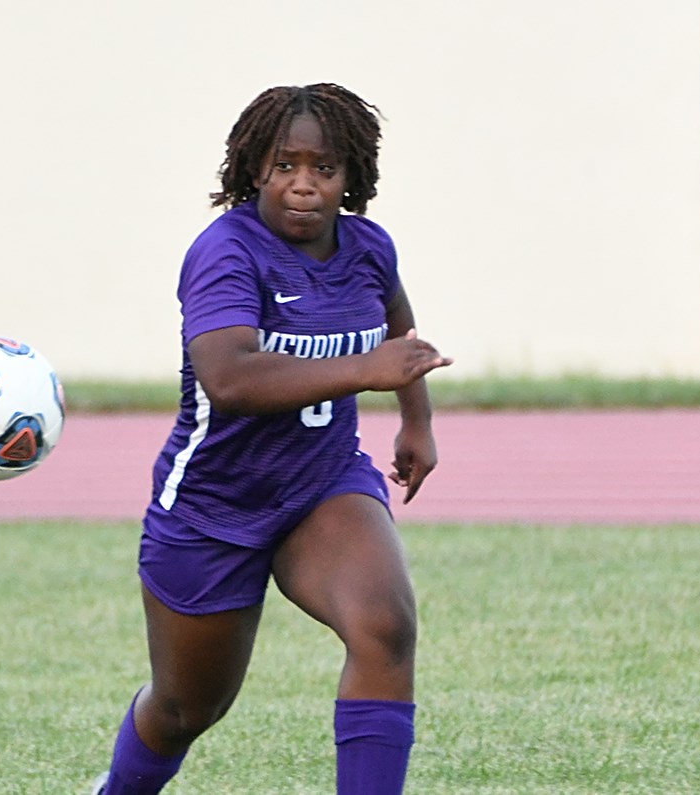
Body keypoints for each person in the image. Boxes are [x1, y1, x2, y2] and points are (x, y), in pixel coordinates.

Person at [92, 83, 452, 795]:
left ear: (352, 177)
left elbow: (397, 331)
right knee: (184, 707)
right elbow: (228, 377)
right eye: (284, 164)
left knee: (384, 625)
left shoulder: (369, 249)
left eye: (324, 168)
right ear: (254, 167)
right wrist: (364, 370)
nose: (302, 184)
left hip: (321, 485)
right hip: (212, 505)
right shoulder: (225, 252)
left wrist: (416, 420)